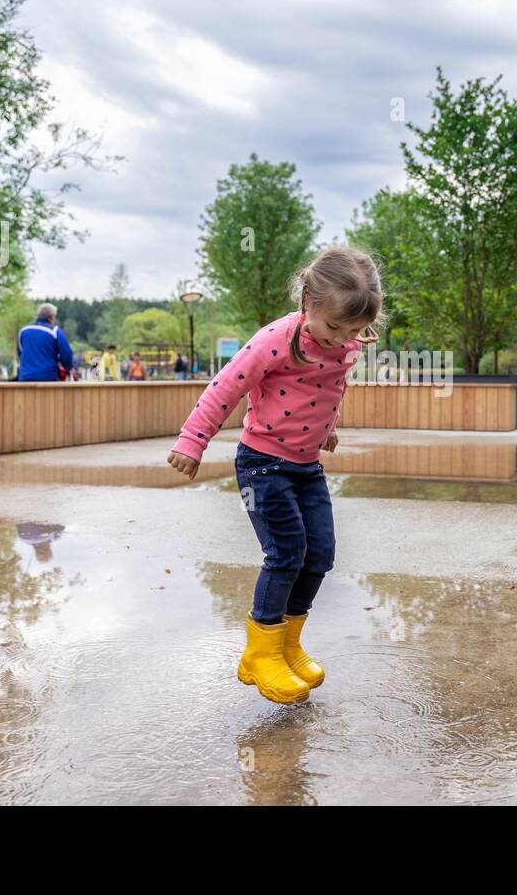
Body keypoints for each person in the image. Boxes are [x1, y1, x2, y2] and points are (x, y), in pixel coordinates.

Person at [166, 247, 384, 705]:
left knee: (320, 552)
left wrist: (327, 427)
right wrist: (192, 441)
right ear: (308, 301)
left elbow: (331, 386)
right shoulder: (274, 340)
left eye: (354, 331)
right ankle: (260, 651)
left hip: (306, 465)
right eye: (334, 328)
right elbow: (224, 389)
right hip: (261, 464)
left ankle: (287, 644)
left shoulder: (345, 342)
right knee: (286, 553)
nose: (342, 339)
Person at [16, 303, 74, 382]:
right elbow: (66, 354)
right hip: (48, 377)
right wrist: (68, 368)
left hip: (25, 377)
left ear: (38, 315)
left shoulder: (23, 331)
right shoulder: (55, 331)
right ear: (52, 317)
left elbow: (20, 354)